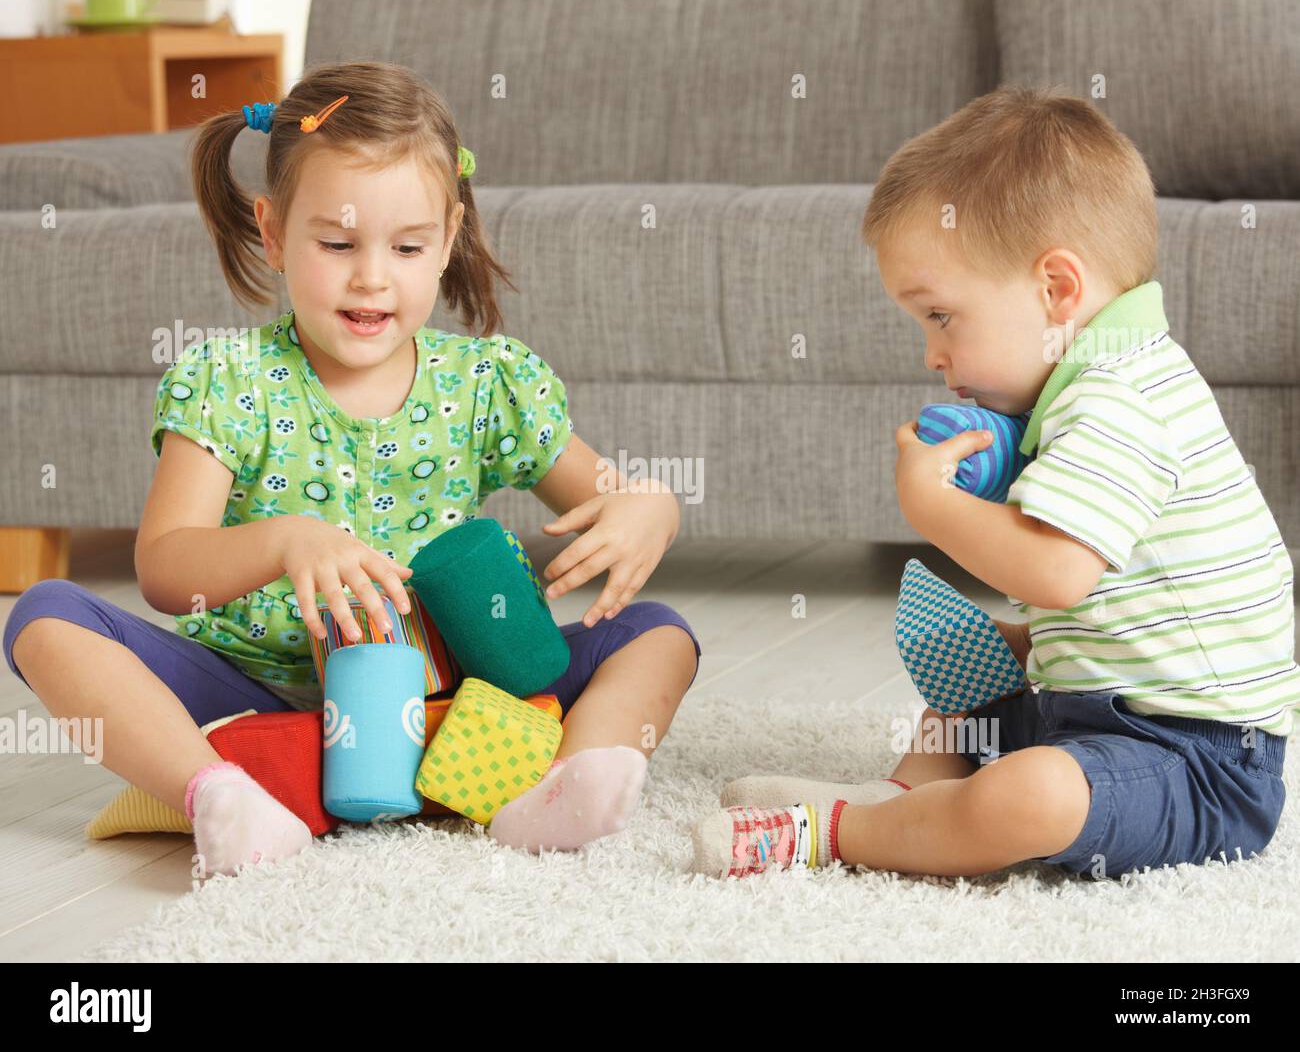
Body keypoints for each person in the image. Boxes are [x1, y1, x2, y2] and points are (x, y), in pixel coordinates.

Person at [4, 61, 701, 879]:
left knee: (659, 634)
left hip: (449, 700)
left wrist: (651, 506)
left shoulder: (484, 383)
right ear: (272, 232)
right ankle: (218, 793)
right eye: (337, 243)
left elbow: (609, 497)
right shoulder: (232, 381)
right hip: (258, 688)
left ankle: (551, 787)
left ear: (446, 240)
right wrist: (288, 541)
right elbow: (164, 566)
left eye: (407, 246)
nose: (372, 275)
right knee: (42, 615)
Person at [693, 84, 1294, 881]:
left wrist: (931, 506)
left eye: (940, 316)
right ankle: (899, 795)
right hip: (1095, 705)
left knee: (1031, 797)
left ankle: (841, 834)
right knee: (966, 655)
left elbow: (1056, 572)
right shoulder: (1087, 384)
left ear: (1056, 291)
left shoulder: (1122, 397)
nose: (931, 355)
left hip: (1195, 760)